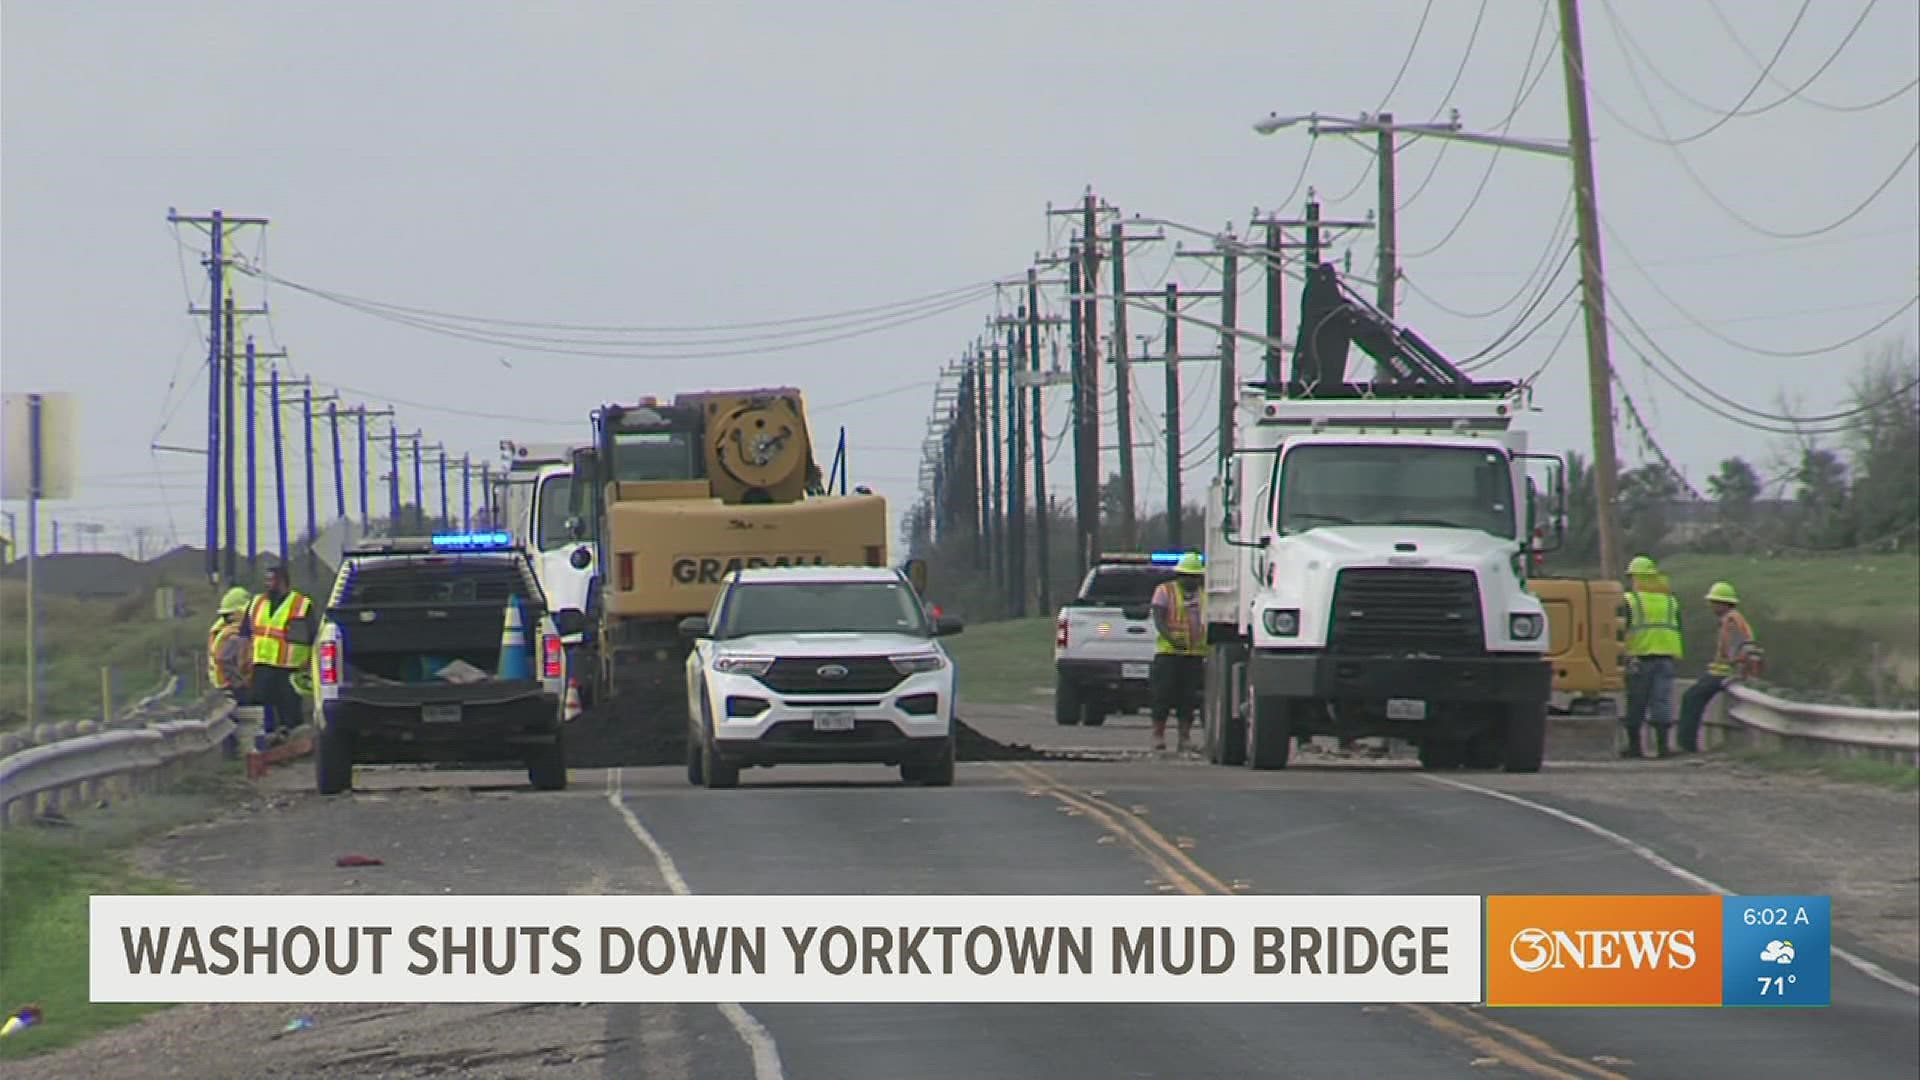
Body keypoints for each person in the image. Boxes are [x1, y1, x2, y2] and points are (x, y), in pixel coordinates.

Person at [240, 564, 319, 742]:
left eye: (271, 580)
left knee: (289, 708)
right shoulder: (257, 602)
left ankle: (293, 741)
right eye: (266, 580)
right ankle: (265, 740)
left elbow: (311, 636)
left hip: (290, 667)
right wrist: (244, 658)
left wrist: (309, 662)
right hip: (262, 664)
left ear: (282, 581)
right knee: (261, 703)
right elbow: (245, 633)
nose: (267, 584)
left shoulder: (301, 605)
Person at [1677, 581, 1757, 753]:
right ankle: (1687, 744)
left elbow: (1738, 650)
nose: (1711, 606)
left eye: (1713, 602)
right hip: (1726, 672)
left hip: (1726, 673)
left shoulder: (1731, 621)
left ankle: (1687, 745)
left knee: (1691, 698)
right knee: (1693, 696)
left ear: (1723, 603)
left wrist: (1733, 667)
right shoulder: (1733, 619)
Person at [1619, 554, 1683, 758]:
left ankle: (1635, 747)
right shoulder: (1670, 601)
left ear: (1636, 577)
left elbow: (1621, 629)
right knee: (1661, 701)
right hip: (1666, 658)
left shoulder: (1631, 600)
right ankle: (1663, 748)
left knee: (1636, 702)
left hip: (1639, 657)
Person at [1148, 552, 1208, 753]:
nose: (1191, 581)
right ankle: (1158, 735)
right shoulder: (1165, 591)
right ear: (1180, 575)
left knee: (1188, 699)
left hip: (1194, 654)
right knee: (1162, 696)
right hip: (1169, 654)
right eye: (1187, 576)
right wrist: (1172, 639)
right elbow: (1159, 619)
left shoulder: (1204, 595)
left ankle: (1184, 738)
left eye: (1195, 577)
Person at [206, 586, 254, 701]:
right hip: (236, 689)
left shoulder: (220, 630)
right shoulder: (234, 634)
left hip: (223, 687)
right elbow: (228, 662)